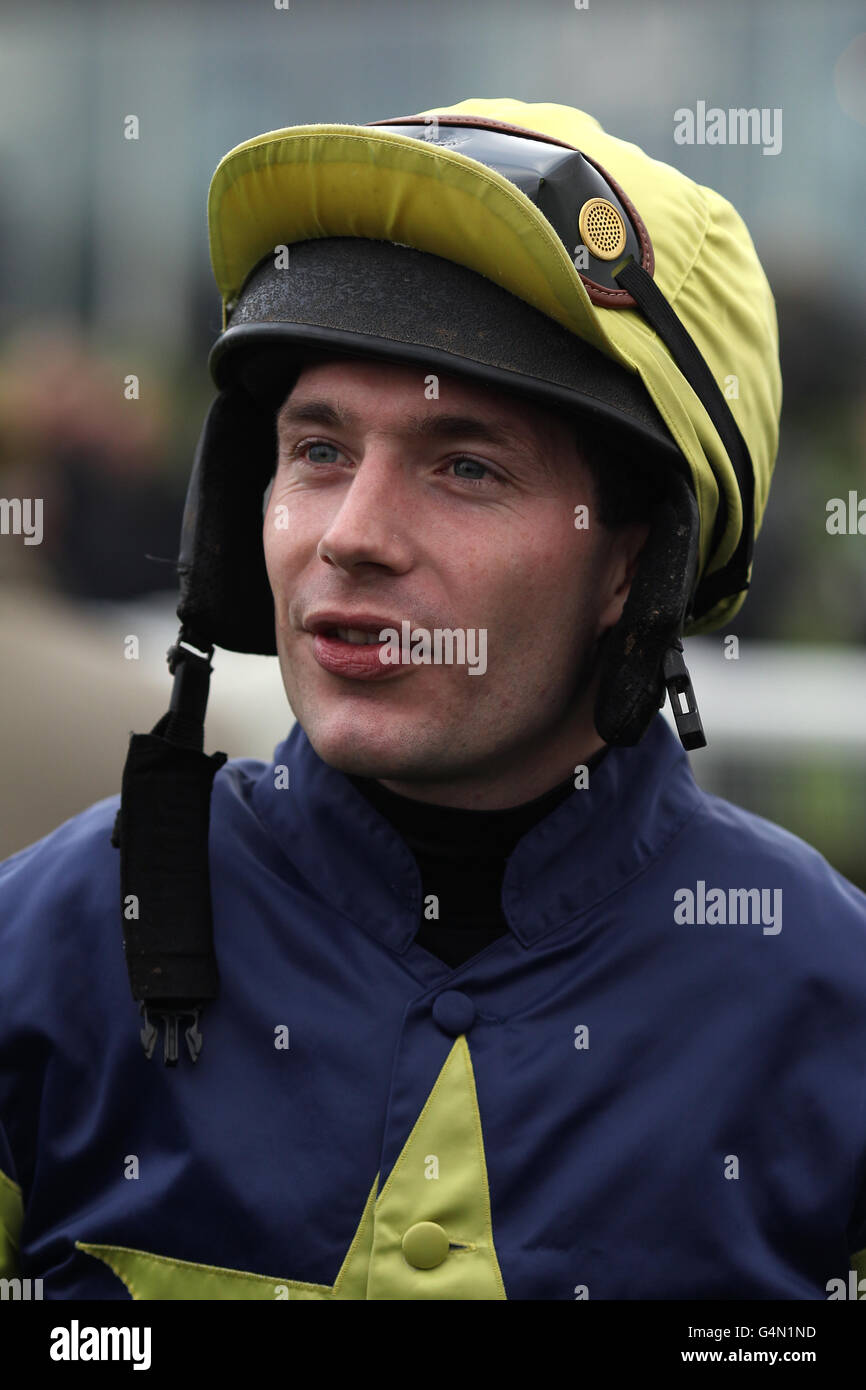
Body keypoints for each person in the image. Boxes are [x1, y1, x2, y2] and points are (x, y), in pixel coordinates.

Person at [1, 97, 865, 1302]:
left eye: (464, 465)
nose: (350, 537)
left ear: (633, 564)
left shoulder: (829, 1005)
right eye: (318, 450)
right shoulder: (38, 952)